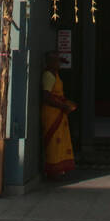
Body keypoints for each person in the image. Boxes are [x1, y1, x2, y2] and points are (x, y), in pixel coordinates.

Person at [41, 51, 76, 179]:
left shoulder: (55, 75)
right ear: (50, 62)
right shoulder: (49, 76)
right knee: (53, 142)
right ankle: (53, 169)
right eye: (56, 61)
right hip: (52, 113)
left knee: (60, 142)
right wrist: (63, 106)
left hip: (58, 112)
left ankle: (59, 168)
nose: (59, 64)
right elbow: (46, 96)